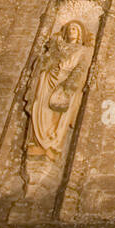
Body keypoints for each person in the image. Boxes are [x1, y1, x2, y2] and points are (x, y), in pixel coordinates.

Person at [28, 21, 93, 160]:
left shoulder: (83, 51)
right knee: (41, 104)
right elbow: (45, 62)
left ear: (80, 34)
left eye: (75, 29)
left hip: (66, 83)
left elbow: (81, 68)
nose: (72, 31)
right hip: (50, 79)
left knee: (59, 111)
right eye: (70, 29)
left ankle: (52, 142)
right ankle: (39, 142)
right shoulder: (57, 47)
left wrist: (69, 84)